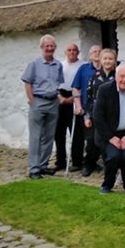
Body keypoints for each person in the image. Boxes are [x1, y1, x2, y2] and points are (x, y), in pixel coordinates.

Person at [93, 64, 125, 195]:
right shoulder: (104, 89)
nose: (124, 80)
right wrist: (112, 138)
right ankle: (107, 185)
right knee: (113, 156)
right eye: (122, 76)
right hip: (108, 134)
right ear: (116, 77)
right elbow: (98, 116)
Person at [21, 34, 64, 179]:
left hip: (53, 102)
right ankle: (34, 169)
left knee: (49, 136)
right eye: (47, 46)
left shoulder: (58, 65)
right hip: (38, 101)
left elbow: (59, 83)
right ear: (42, 47)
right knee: (36, 137)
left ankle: (43, 165)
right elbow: (27, 83)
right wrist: (31, 100)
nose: (50, 48)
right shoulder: (34, 64)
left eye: (52, 46)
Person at [84, 48, 118, 175]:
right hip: (95, 115)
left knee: (109, 142)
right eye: (105, 58)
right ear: (101, 60)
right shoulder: (94, 77)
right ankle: (88, 165)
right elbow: (88, 97)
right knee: (92, 141)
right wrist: (87, 116)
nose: (108, 61)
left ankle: (109, 167)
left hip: (112, 116)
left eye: (110, 59)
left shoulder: (118, 76)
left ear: (114, 60)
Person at [54, 43, 84, 172]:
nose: (72, 52)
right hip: (61, 96)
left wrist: (74, 98)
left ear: (78, 52)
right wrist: (60, 97)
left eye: (74, 50)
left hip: (76, 97)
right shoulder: (59, 65)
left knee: (76, 132)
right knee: (58, 132)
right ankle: (60, 161)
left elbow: (84, 83)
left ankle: (77, 161)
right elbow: (54, 82)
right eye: (69, 50)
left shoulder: (83, 65)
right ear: (65, 52)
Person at [72, 45, 102, 177]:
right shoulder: (83, 69)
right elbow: (76, 88)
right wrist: (78, 106)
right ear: (89, 55)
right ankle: (87, 165)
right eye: (93, 51)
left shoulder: (108, 68)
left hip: (103, 111)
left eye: (99, 51)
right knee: (90, 140)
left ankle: (94, 162)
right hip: (87, 110)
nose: (96, 53)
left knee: (100, 140)